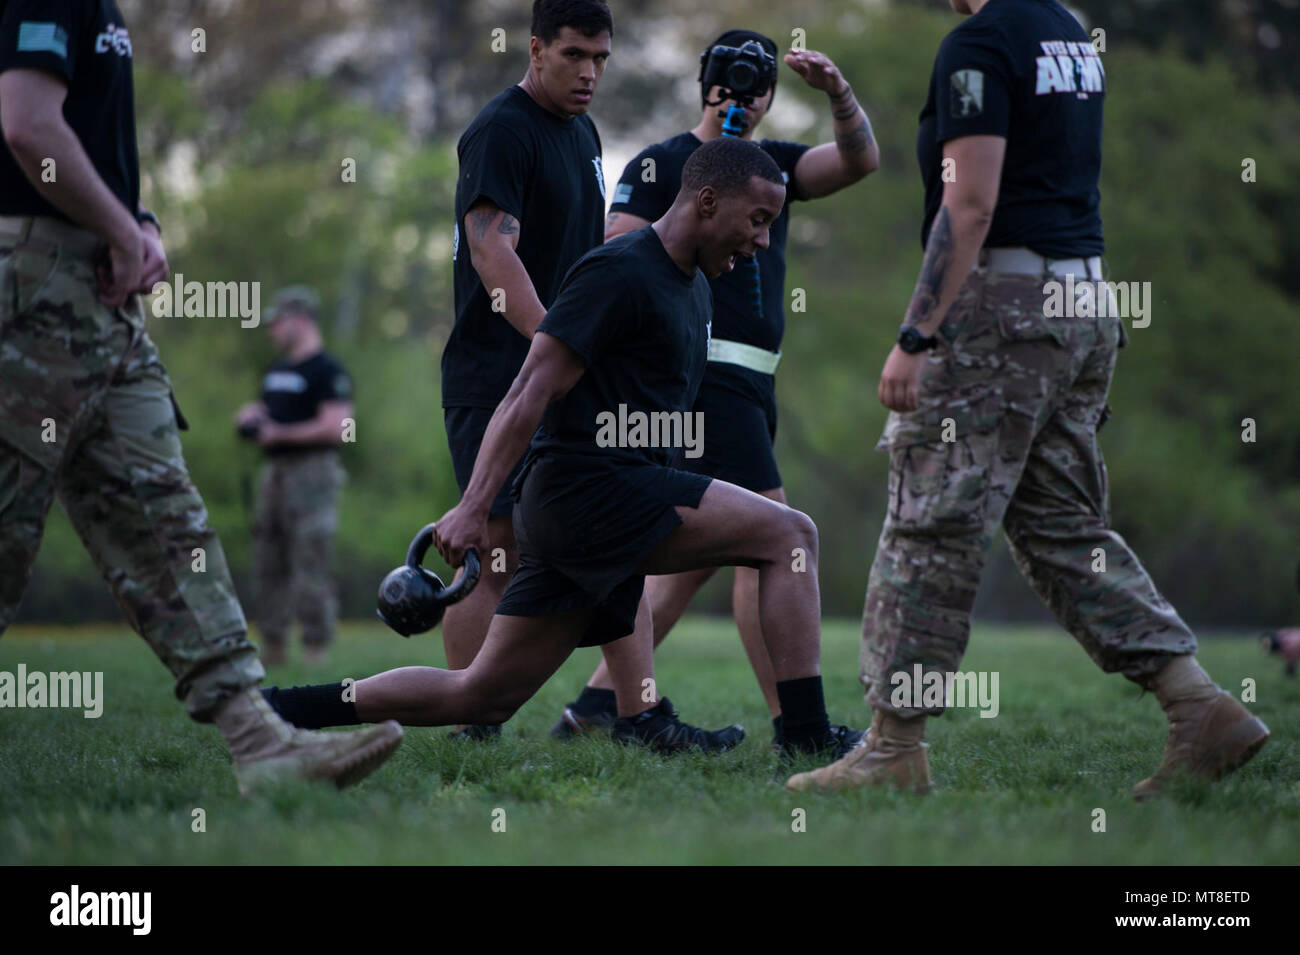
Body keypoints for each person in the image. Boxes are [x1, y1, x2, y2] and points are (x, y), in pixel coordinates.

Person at [787, 0, 1269, 797]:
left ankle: (893, 747)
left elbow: (971, 204)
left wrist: (916, 335)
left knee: (930, 522)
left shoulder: (979, 43)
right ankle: (1199, 704)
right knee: (1062, 530)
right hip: (1082, 305)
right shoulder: (1068, 32)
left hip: (1002, 313)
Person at [260, 138, 856, 758]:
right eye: (758, 220)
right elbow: (527, 392)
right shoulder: (617, 270)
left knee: (480, 695)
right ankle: (808, 738)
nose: (763, 241)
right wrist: (472, 506)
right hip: (586, 491)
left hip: (599, 501)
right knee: (790, 535)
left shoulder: (698, 290)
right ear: (707, 201)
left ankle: (279, 709)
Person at [0, 0, 401, 794]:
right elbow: (26, 125)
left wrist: (136, 220)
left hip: (101, 299)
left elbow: (85, 140)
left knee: (164, 518)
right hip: (34, 290)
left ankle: (261, 741)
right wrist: (120, 230)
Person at [551, 29, 878, 757]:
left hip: (755, 380)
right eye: (729, 77)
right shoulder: (662, 163)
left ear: (770, 94)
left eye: (758, 82)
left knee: (690, 558)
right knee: (781, 537)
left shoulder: (774, 170)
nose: (743, 94)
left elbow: (861, 161)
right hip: (706, 384)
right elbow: (617, 261)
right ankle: (801, 726)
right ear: (705, 81)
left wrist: (839, 95)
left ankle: (598, 706)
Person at [428, 0, 733, 747]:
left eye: (601, 58)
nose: (590, 73)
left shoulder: (587, 132)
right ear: (535, 49)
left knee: (613, 540)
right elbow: (492, 253)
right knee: (495, 551)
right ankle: (475, 728)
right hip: (498, 377)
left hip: (570, 378)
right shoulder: (502, 129)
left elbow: (585, 250)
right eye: (573, 55)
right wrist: (559, 341)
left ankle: (641, 717)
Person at [235, 286, 353, 668]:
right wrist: (253, 416)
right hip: (274, 474)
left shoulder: (328, 371)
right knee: (268, 559)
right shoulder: (277, 370)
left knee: (310, 559)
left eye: (278, 321)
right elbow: (269, 411)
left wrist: (279, 434)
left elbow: (340, 428)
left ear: (299, 320)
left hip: (312, 473)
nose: (272, 330)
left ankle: (315, 650)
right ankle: (273, 648)